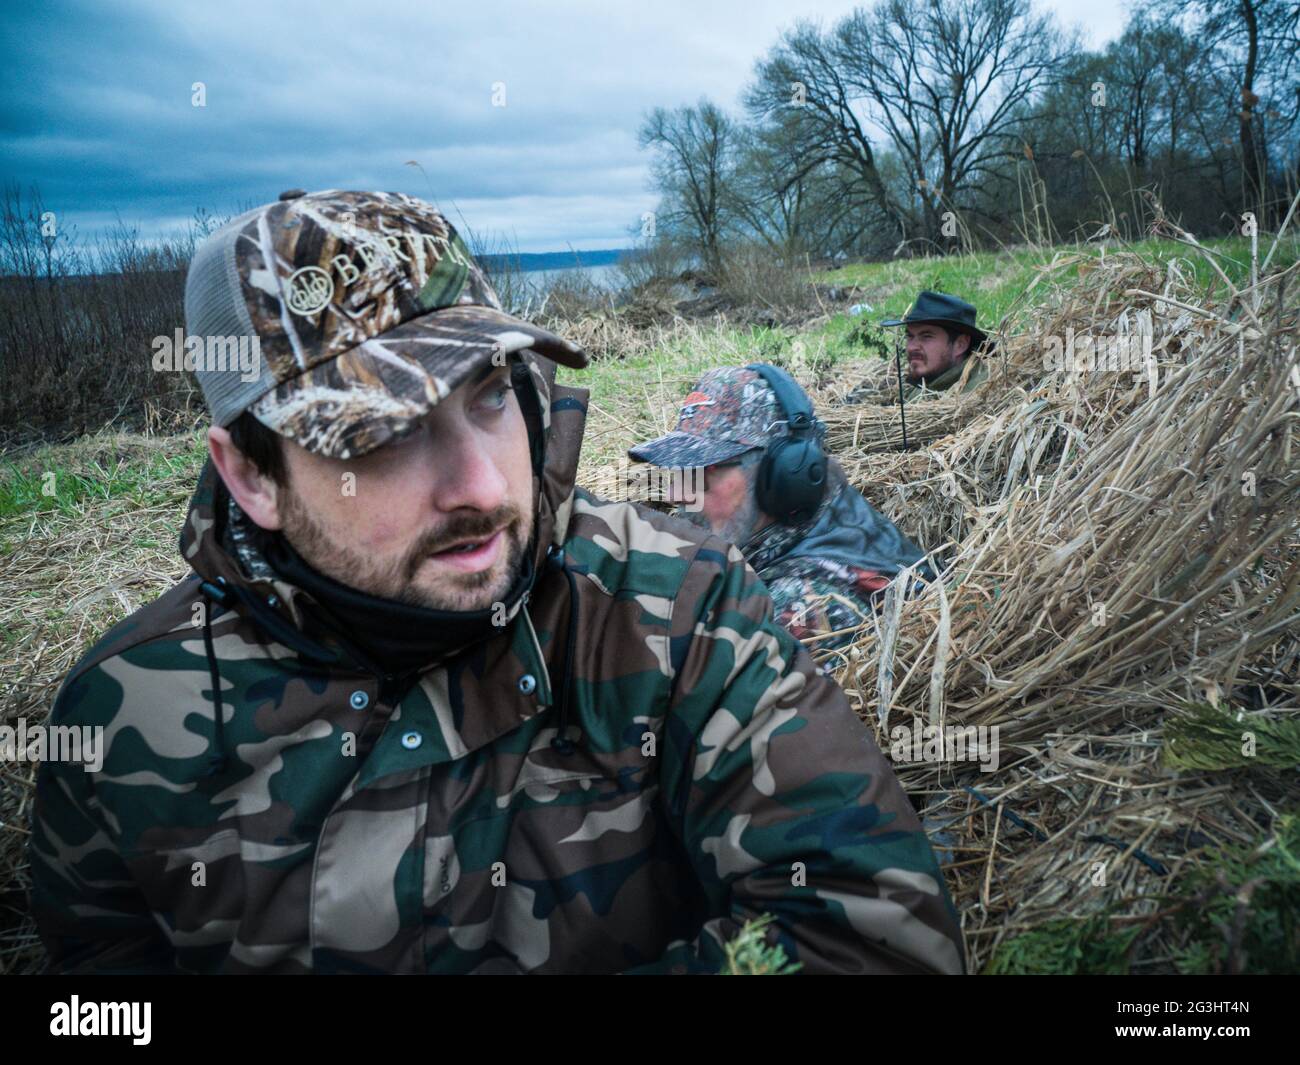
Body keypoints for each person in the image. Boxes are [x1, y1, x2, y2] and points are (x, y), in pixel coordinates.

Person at [28, 189, 964, 975]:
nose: (481, 485)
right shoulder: (123, 720)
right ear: (252, 476)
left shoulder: (679, 614)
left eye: (488, 394)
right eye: (382, 434)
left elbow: (878, 933)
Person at [628, 366, 934, 651]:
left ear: (783, 476)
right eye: (680, 473)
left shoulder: (801, 607)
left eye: (704, 473)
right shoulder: (832, 521)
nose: (675, 493)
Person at [882, 291, 991, 402]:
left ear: (960, 344)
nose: (911, 347)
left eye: (926, 336)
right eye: (910, 336)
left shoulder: (980, 394)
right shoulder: (927, 385)